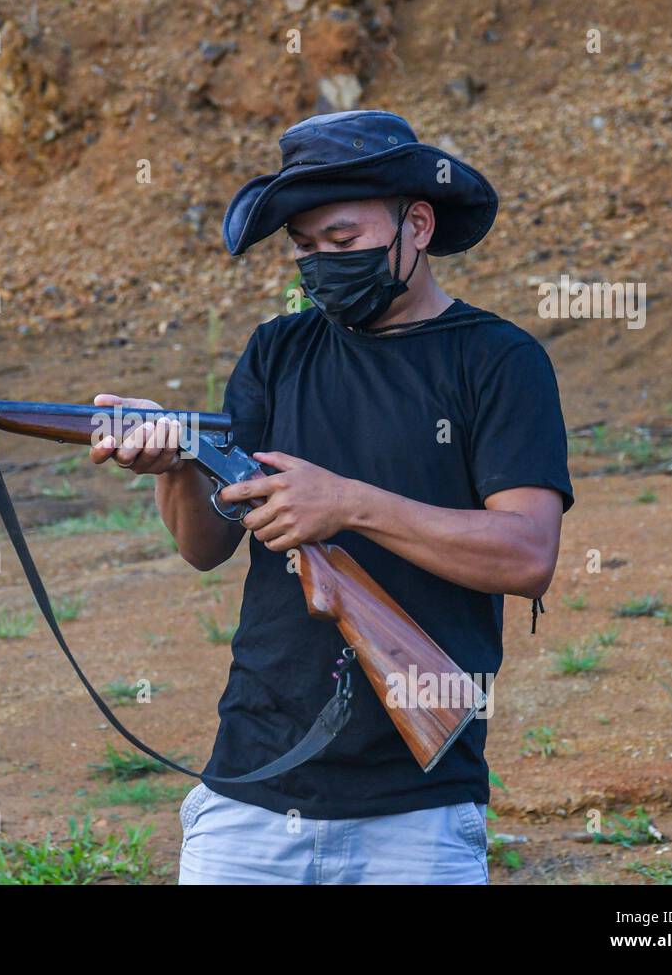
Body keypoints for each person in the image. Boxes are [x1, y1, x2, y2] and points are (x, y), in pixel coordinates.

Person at [90, 110, 573, 884]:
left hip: (418, 811)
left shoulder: (499, 361)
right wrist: (174, 463)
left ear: (417, 224)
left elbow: (526, 553)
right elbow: (204, 546)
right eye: (305, 249)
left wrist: (347, 504)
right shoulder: (277, 351)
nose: (320, 266)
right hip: (250, 789)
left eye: (342, 243)